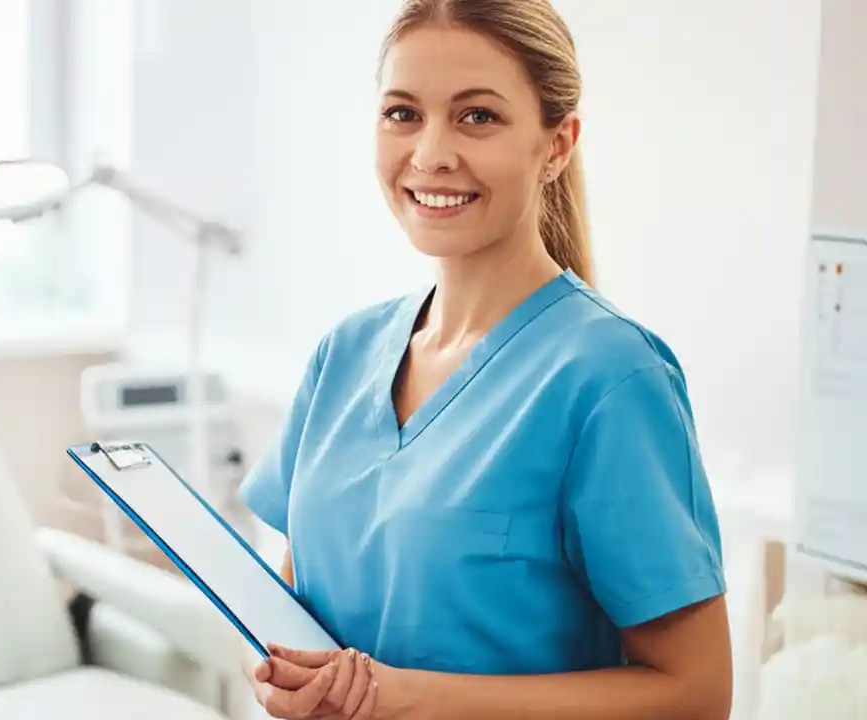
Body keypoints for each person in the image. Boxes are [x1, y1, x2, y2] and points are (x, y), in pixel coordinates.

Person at [237, 1, 732, 718]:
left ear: (557, 145)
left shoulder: (610, 377)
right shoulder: (344, 355)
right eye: (403, 113)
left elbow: (697, 695)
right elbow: (297, 614)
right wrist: (278, 670)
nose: (431, 152)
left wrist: (401, 699)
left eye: (478, 117)